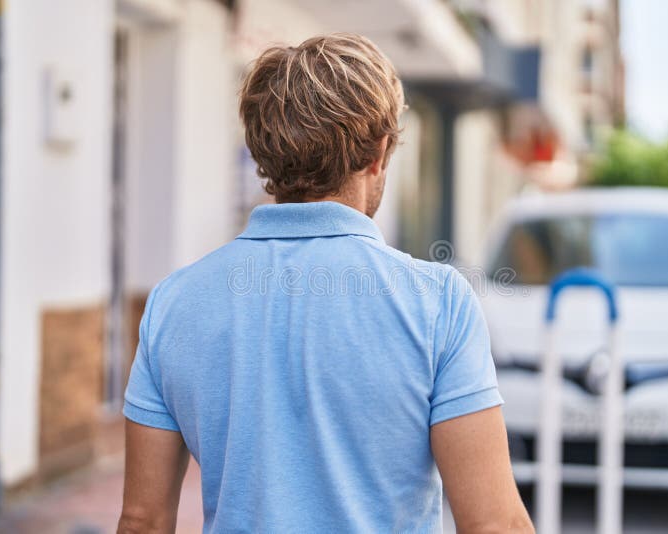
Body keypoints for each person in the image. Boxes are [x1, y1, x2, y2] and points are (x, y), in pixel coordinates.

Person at [117, 33, 533, 534]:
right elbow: (493, 524)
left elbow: (142, 520)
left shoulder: (173, 304)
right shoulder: (438, 303)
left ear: (263, 154)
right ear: (379, 152)